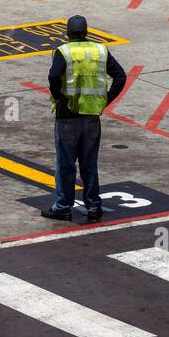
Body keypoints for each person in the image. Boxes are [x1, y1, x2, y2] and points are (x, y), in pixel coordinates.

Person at [41, 16, 127, 224]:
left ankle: (62, 207)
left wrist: (58, 96)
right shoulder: (100, 51)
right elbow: (121, 76)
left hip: (67, 116)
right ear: (86, 32)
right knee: (89, 164)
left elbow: (53, 76)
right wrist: (105, 99)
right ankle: (94, 207)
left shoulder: (64, 51)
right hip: (91, 116)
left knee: (65, 164)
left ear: (68, 33)